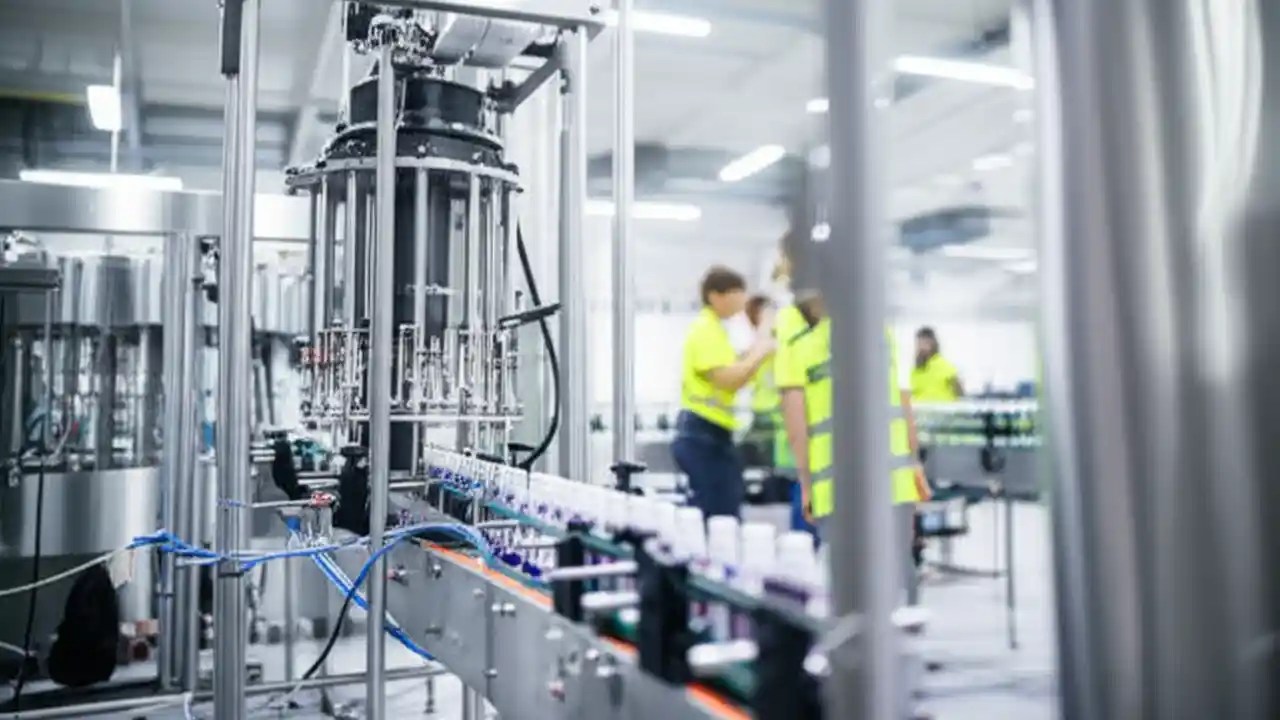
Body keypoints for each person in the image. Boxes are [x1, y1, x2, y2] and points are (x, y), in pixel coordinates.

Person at [777, 291, 930, 592]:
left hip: (836, 485)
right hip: (892, 479)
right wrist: (914, 464)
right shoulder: (881, 336)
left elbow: (797, 426)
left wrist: (805, 484)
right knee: (898, 569)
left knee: (848, 580)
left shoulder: (798, 346)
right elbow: (904, 404)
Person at [671, 266, 775, 518]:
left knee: (725, 502)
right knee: (718, 510)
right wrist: (760, 353)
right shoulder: (705, 329)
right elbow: (728, 379)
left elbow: (737, 366)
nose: (741, 299)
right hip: (702, 434)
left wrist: (761, 340)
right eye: (735, 292)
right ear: (715, 296)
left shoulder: (717, 330)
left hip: (714, 433)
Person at [910, 326, 962, 402]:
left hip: (942, 408)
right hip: (920, 408)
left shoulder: (945, 366)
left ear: (933, 344)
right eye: (919, 344)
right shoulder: (915, 370)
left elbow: (960, 393)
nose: (922, 347)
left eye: (925, 343)